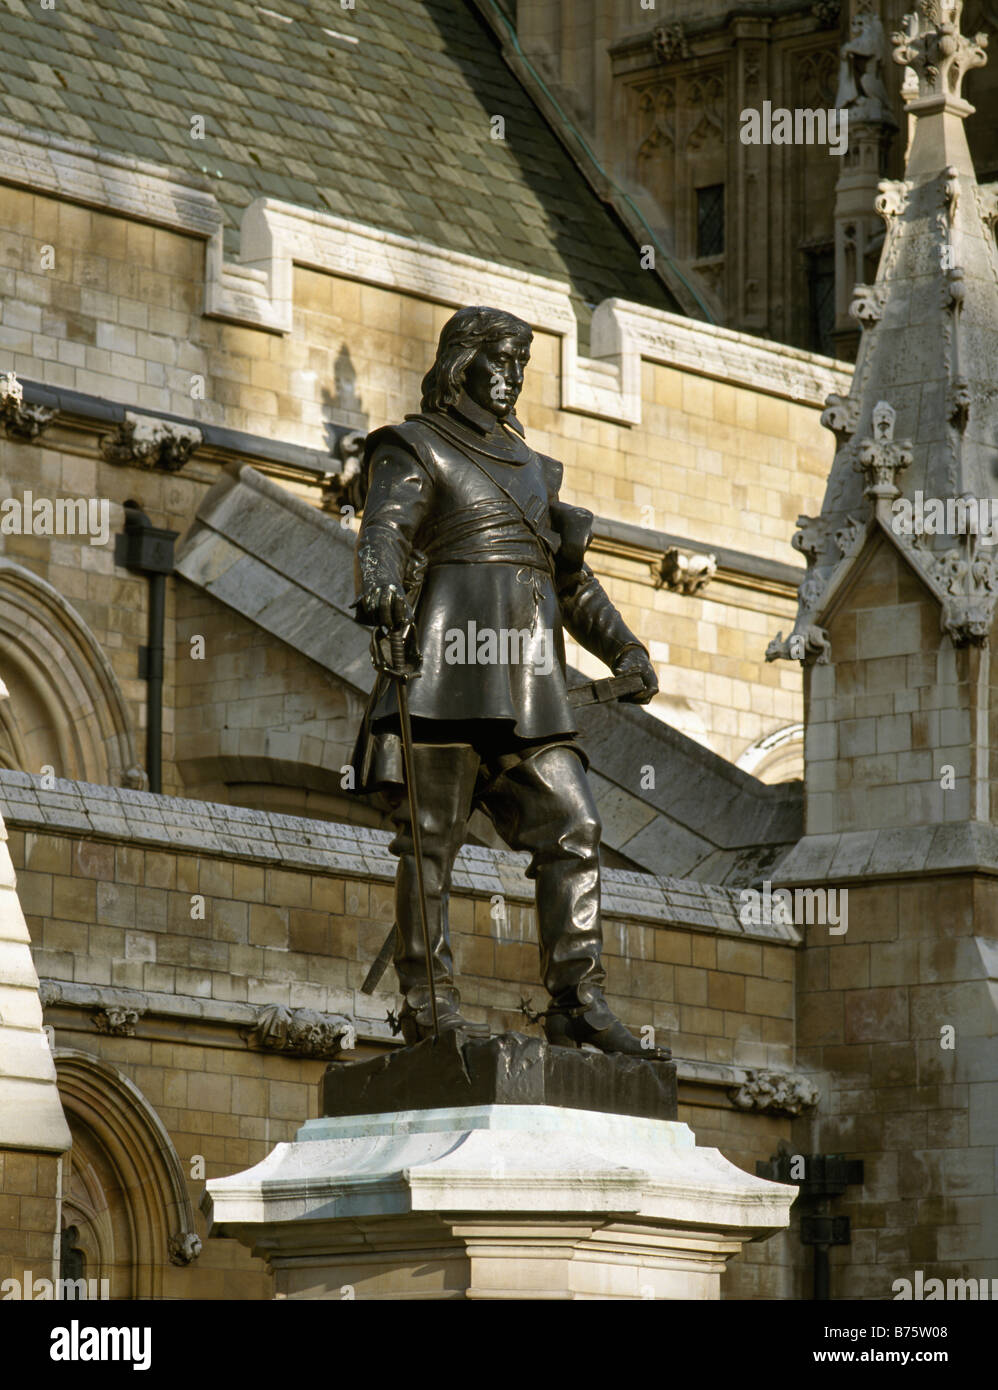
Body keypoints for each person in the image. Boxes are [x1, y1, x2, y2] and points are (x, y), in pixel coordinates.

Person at [351, 305, 668, 1058]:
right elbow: (384, 530)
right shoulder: (414, 446)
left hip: (529, 688)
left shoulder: (533, 468)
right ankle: (429, 1005)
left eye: (522, 363)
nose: (513, 376)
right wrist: (381, 590)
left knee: (574, 828)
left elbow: (571, 581)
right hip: (444, 676)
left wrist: (625, 648)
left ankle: (577, 1001)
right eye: (501, 359)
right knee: (430, 845)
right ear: (462, 363)